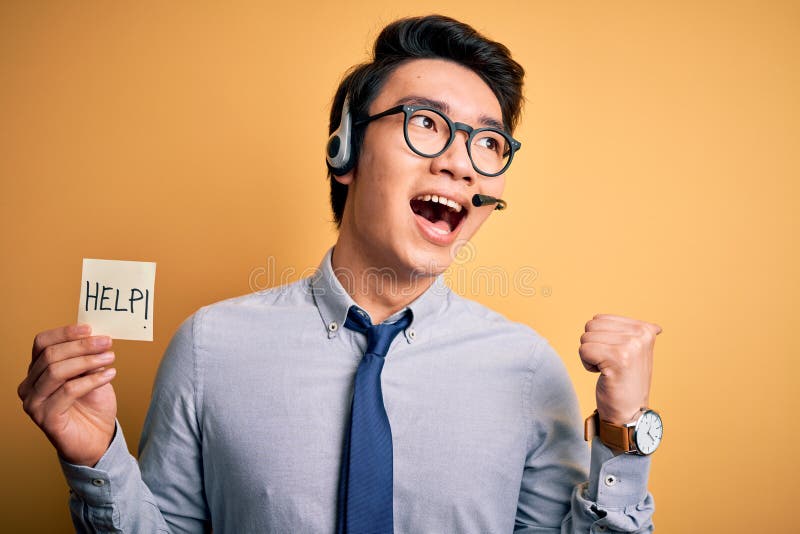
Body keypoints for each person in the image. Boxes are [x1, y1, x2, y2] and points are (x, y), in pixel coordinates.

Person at [18, 14, 662, 533]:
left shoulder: (529, 372)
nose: (461, 164)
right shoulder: (208, 349)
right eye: (426, 123)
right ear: (344, 149)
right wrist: (95, 460)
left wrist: (622, 433)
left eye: (488, 142)